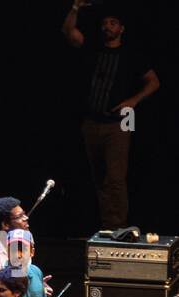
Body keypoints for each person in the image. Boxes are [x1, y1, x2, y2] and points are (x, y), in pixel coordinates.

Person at [62, 2, 161, 228]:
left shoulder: (131, 53)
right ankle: (108, 225)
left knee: (116, 177)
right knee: (99, 177)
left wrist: (133, 100)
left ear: (121, 29)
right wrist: (75, 8)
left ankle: (118, 225)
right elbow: (68, 32)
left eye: (113, 23)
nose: (107, 27)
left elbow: (154, 82)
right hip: (92, 120)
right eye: (105, 23)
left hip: (123, 119)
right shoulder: (94, 48)